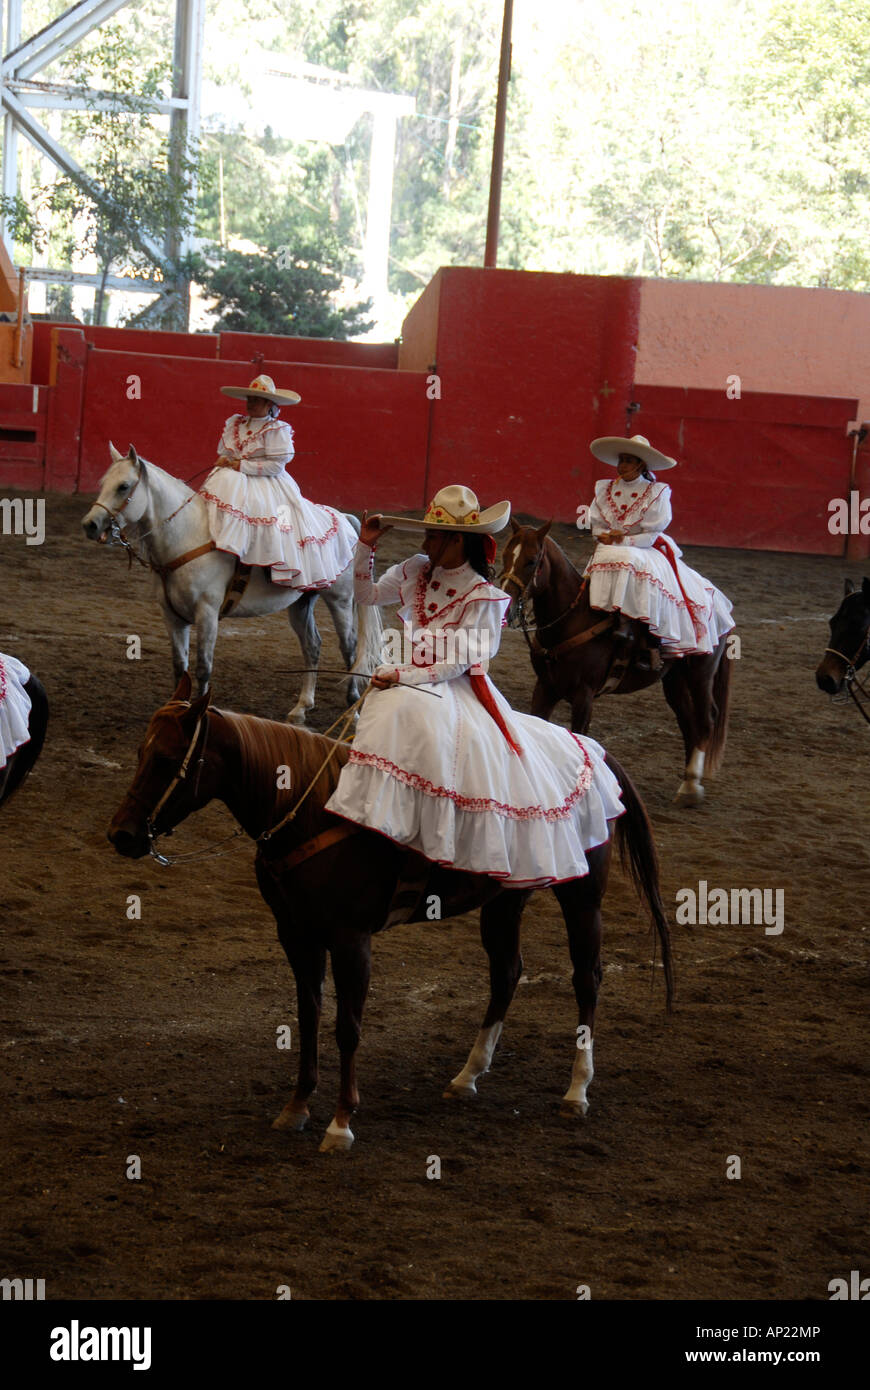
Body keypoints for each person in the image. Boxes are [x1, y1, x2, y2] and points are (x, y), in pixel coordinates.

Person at [325, 484, 626, 888]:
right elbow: (364, 595)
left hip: (455, 688)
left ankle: (426, 845)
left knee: (411, 715)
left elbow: (460, 662)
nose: (425, 541)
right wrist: (366, 547)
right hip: (412, 679)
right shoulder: (416, 570)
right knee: (390, 712)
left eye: (433, 535)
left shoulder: (485, 597)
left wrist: (403, 676)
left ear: (456, 541)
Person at [585, 434, 734, 669]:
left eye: (628, 461)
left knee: (629, 558)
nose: (622, 465)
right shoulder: (605, 489)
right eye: (621, 460)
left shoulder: (657, 492)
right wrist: (602, 535)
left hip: (644, 548)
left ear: (640, 465)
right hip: (610, 547)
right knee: (601, 558)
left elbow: (651, 535)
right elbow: (597, 526)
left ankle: (645, 638)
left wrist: (624, 539)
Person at [200, 374, 356, 589]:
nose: (250, 404)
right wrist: (226, 459)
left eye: (256, 400)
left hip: (268, 483)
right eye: (249, 399)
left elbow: (276, 465)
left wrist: (242, 466)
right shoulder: (235, 423)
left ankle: (269, 566)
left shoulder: (277, 429)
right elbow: (226, 450)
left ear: (269, 404)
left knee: (275, 517)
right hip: (231, 481)